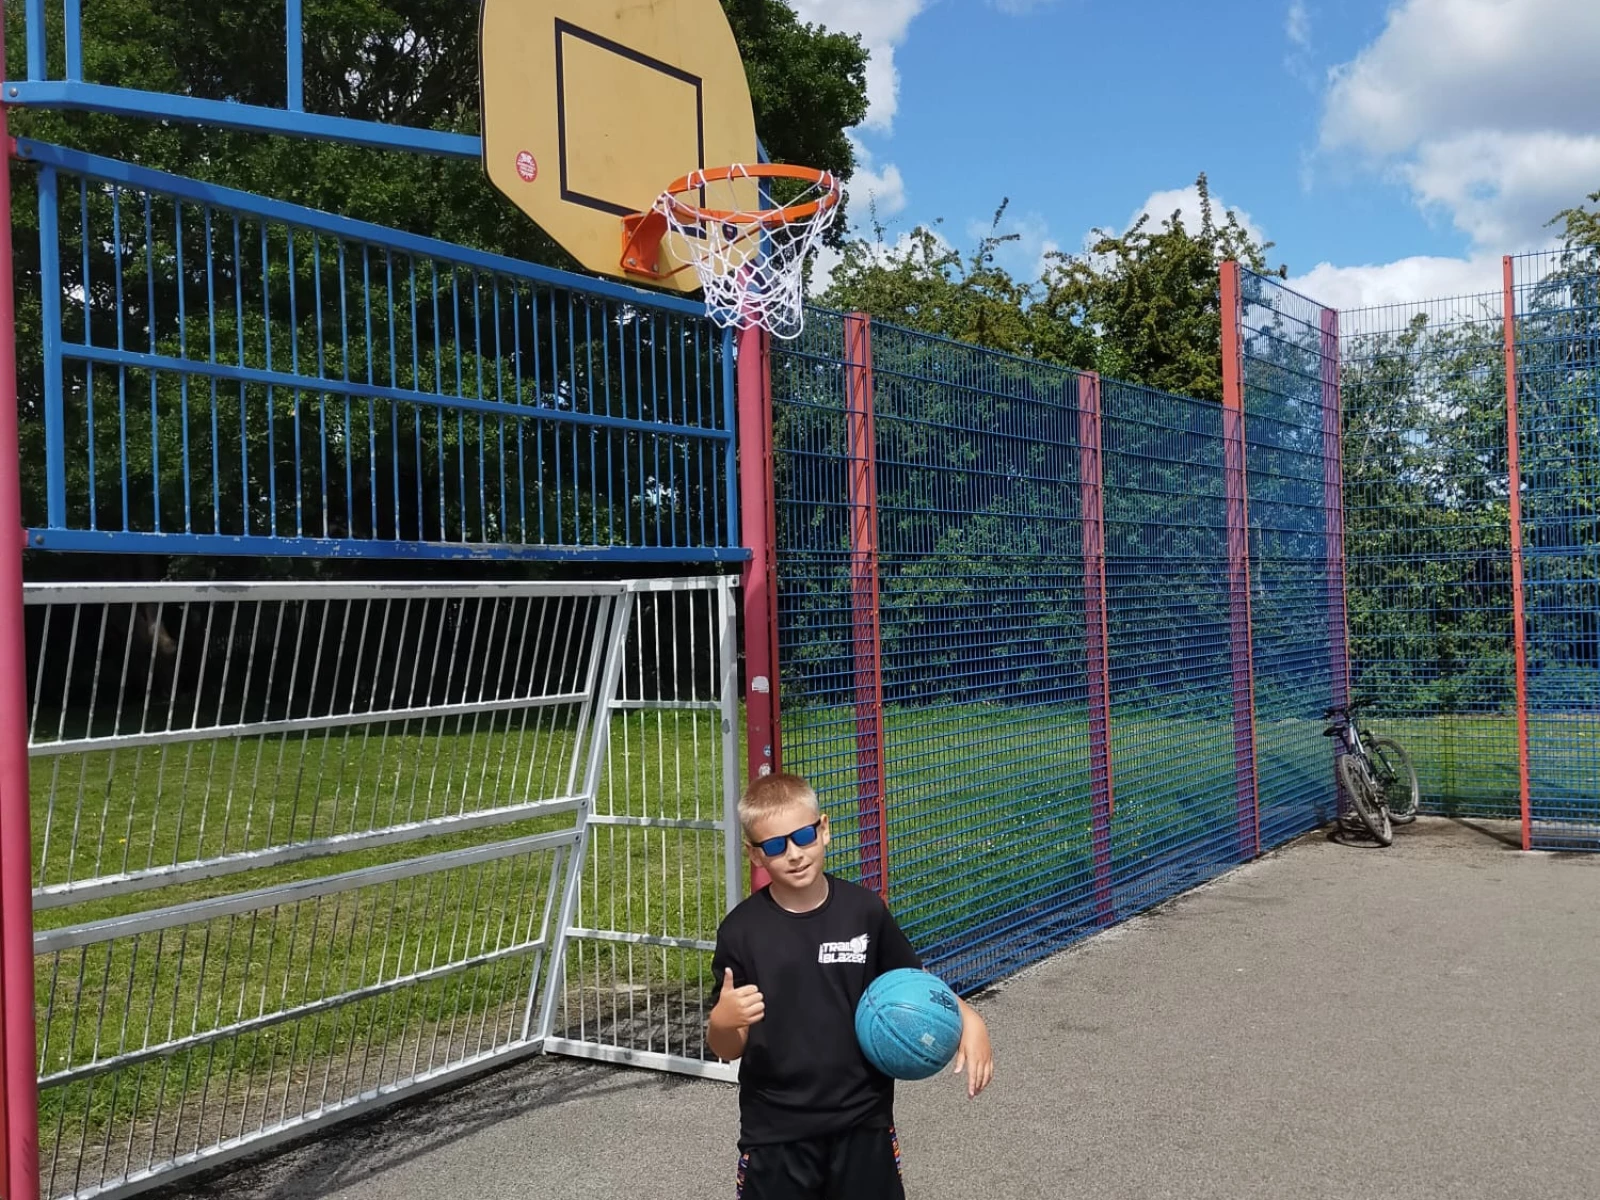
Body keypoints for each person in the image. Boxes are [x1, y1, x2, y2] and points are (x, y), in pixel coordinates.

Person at [708, 772, 993, 1199]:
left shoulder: (863, 912)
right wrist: (723, 1020)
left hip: (864, 1120)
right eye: (774, 845)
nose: (794, 854)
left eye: (803, 835)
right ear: (754, 855)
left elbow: (911, 983)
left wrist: (970, 1019)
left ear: (824, 830)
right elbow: (727, 1047)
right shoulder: (741, 932)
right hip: (777, 1130)